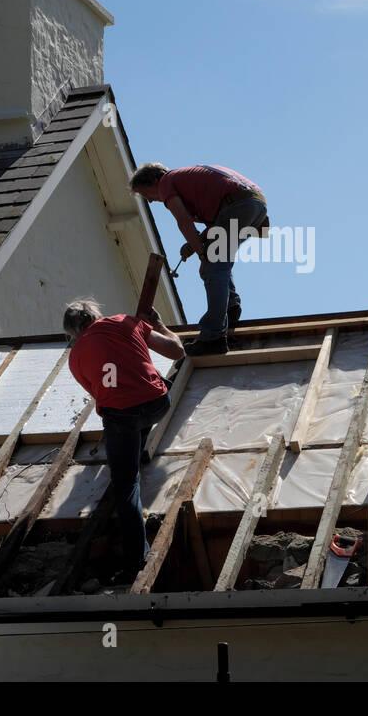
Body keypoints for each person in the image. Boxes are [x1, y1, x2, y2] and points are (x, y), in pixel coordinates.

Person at [63, 298, 184, 584]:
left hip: (123, 416)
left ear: (73, 332)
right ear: (95, 314)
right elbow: (178, 351)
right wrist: (159, 324)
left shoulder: (75, 356)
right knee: (146, 399)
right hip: (157, 404)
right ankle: (138, 441)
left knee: (126, 484)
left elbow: (99, 393)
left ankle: (135, 559)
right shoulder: (125, 321)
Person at [128, 162, 268, 356]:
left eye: (146, 194)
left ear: (154, 180)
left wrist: (201, 254)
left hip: (238, 206)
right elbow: (217, 222)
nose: (150, 201)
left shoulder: (167, 182)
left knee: (213, 268)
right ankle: (230, 308)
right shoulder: (188, 181)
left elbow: (183, 221)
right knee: (216, 263)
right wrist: (198, 245)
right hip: (255, 206)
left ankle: (213, 337)